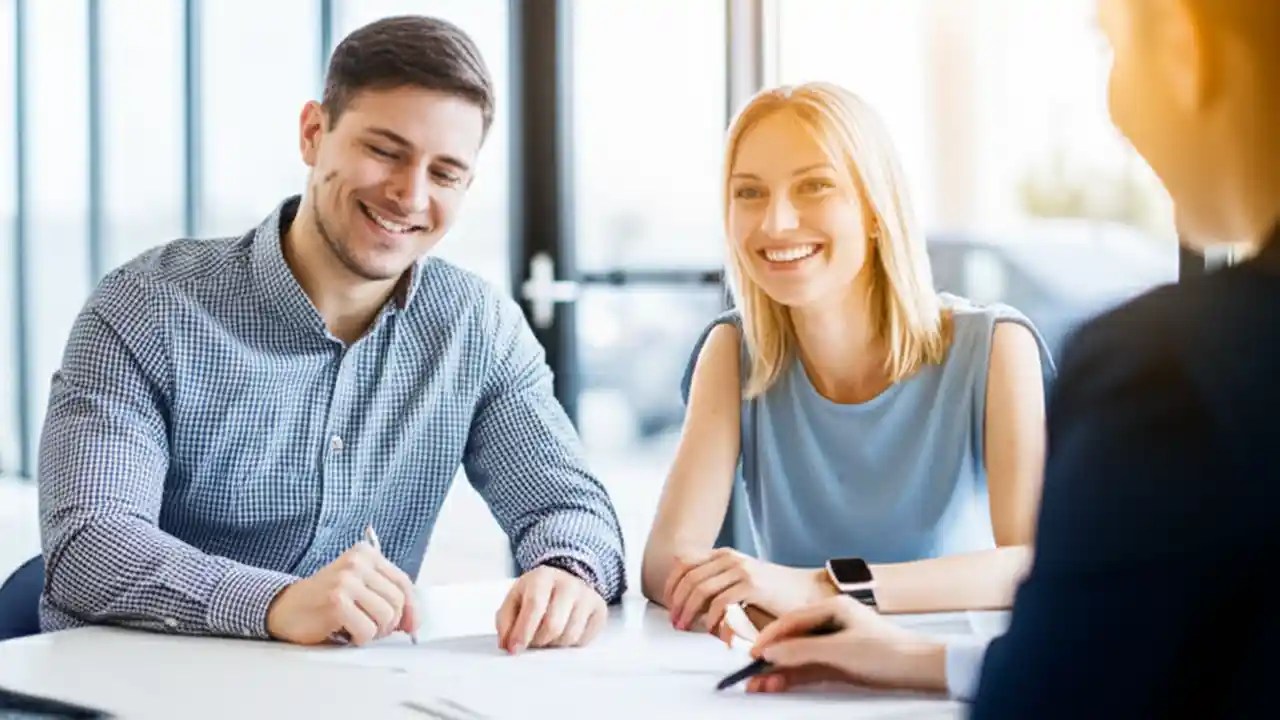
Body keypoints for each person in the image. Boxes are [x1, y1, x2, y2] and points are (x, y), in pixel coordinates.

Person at [744, 0, 1280, 715]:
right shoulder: (738, 352)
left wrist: (833, 587)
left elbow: (1053, 696)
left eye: (1112, 49)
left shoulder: (1173, 376)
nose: (1116, 110)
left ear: (1186, 51)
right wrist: (916, 658)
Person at [37, 15, 625, 653]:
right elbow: (88, 545)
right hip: (133, 690)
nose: (410, 194)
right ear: (314, 133)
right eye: (385, 151)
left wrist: (568, 571)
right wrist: (275, 603)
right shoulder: (150, 306)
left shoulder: (475, 328)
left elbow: (573, 510)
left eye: (446, 173)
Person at [641, 81, 1054, 635]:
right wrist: (761, 611)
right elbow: (666, 562)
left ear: (875, 208)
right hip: (799, 671)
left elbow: (1027, 563)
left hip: (943, 681)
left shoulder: (998, 348)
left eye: (814, 186)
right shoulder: (734, 352)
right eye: (749, 193)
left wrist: (823, 588)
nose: (775, 223)